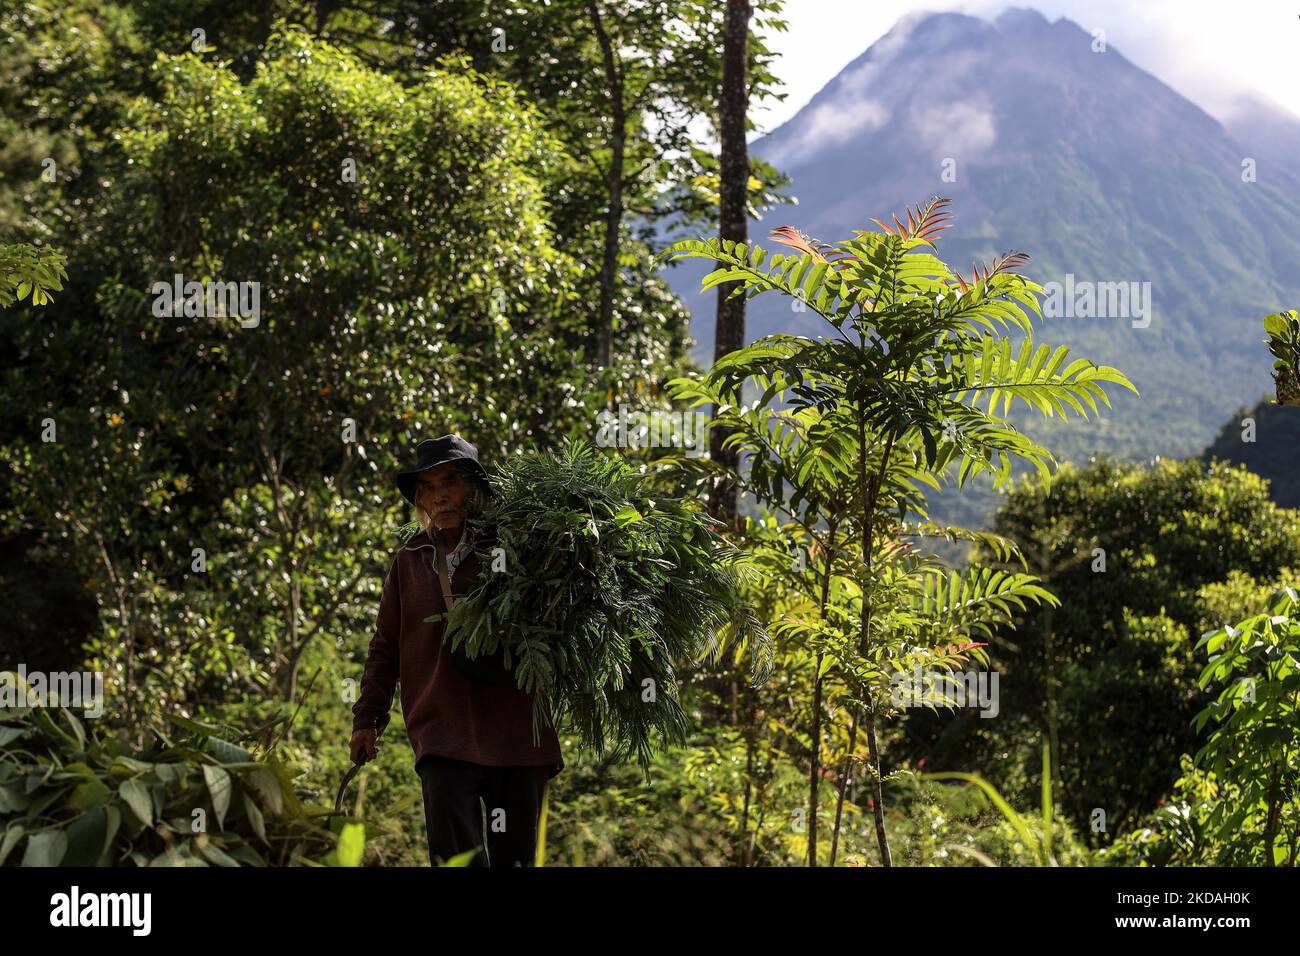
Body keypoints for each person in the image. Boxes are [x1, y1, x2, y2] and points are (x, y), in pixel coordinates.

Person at [348, 434, 564, 867]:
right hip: (442, 738)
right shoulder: (410, 560)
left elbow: (557, 618)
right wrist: (367, 719)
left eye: (449, 481)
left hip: (517, 737)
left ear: (475, 488)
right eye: (426, 487)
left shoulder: (518, 546)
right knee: (456, 862)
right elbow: (385, 646)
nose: (439, 495)